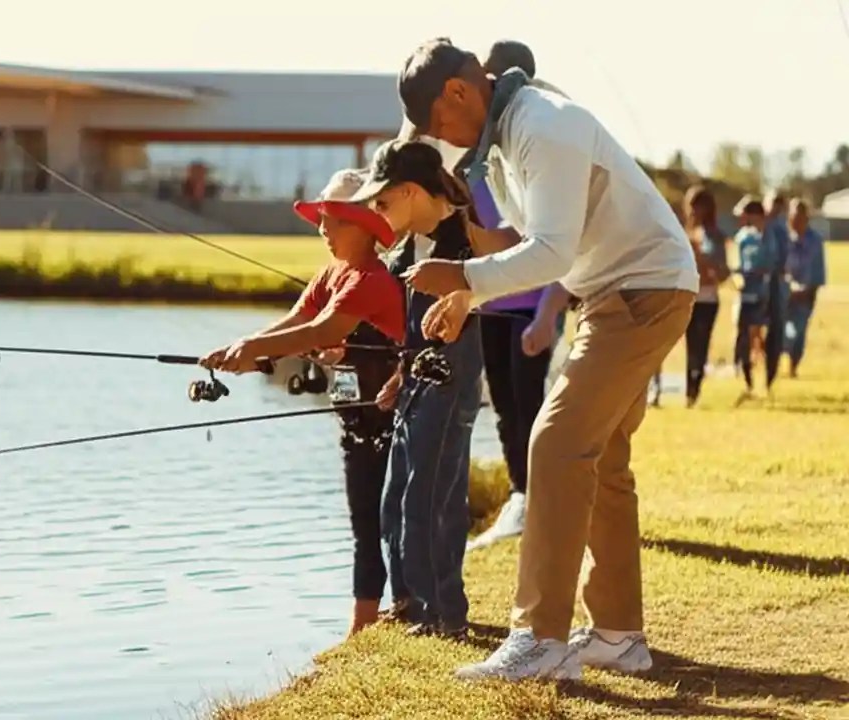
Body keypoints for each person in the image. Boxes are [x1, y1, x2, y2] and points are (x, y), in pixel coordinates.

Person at [388, 38, 698, 681]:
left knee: (555, 444)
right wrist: (466, 295)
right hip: (619, 293)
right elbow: (525, 240)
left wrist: (459, 275)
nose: (442, 137)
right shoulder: (505, 140)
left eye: (439, 124)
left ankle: (540, 640)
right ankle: (616, 634)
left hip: (643, 290)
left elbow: (551, 254)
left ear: (459, 94)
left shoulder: (544, 124)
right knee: (601, 458)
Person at [199, 168, 404, 638]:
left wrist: (253, 352)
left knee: (382, 522)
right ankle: (371, 622)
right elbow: (298, 318)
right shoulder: (333, 274)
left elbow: (321, 332)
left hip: (390, 419)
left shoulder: (369, 278)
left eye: (329, 220)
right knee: (363, 524)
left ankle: (380, 620)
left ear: (358, 224)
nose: (322, 229)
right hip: (354, 419)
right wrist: (243, 347)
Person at [348, 138, 486, 639]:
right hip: (414, 387)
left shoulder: (461, 245)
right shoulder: (407, 250)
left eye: (381, 203)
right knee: (394, 499)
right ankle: (408, 603)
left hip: (451, 389)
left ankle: (443, 615)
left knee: (429, 499)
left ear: (409, 192)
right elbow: (410, 333)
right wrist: (398, 377)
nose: (378, 215)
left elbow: (456, 327)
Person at [467, 38, 568, 550]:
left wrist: (548, 313)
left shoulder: (535, 138)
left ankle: (541, 497)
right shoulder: (485, 151)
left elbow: (555, 236)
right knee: (504, 405)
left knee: (530, 402)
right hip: (491, 300)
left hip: (531, 304)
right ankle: (520, 495)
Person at [683, 185, 731, 406]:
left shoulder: (716, 237)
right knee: (689, 346)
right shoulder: (684, 234)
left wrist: (703, 259)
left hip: (708, 298)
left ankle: (694, 390)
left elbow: (722, 272)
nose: (693, 211)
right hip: (687, 298)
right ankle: (688, 389)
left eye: (696, 206)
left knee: (700, 345)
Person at [732, 196, 774, 401]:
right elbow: (737, 265)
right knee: (743, 337)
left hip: (762, 294)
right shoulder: (742, 237)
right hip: (744, 294)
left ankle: (766, 378)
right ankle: (747, 380)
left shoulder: (767, 237)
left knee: (758, 336)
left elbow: (772, 263)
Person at [784, 198, 827, 378]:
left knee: (798, 332)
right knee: (781, 331)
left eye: (800, 218)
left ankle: (793, 366)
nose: (796, 221)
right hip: (784, 293)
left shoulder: (815, 241)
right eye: (793, 217)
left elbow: (817, 270)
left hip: (805, 295)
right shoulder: (784, 239)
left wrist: (807, 290)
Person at [762, 190, 792, 393]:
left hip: (774, 285)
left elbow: (783, 260)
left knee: (776, 329)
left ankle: (770, 376)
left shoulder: (781, 229)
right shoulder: (758, 224)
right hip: (757, 284)